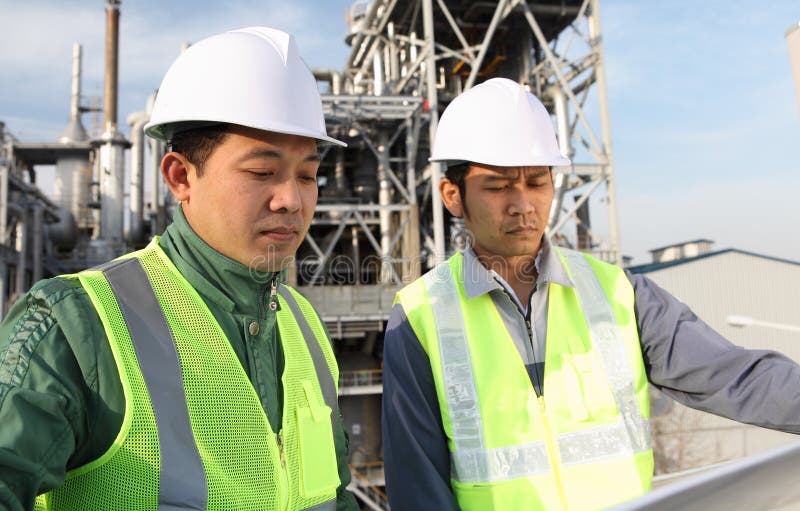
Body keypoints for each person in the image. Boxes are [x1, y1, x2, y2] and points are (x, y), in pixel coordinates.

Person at [381, 77, 800, 511]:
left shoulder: (621, 293)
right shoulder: (420, 317)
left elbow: (736, 376)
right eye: (498, 186)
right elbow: (418, 490)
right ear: (453, 195)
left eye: (537, 182)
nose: (523, 205)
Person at [0, 27, 359, 511]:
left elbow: (334, 496)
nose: (291, 200)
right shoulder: (76, 328)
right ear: (180, 176)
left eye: (308, 175)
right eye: (261, 172)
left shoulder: (305, 329)